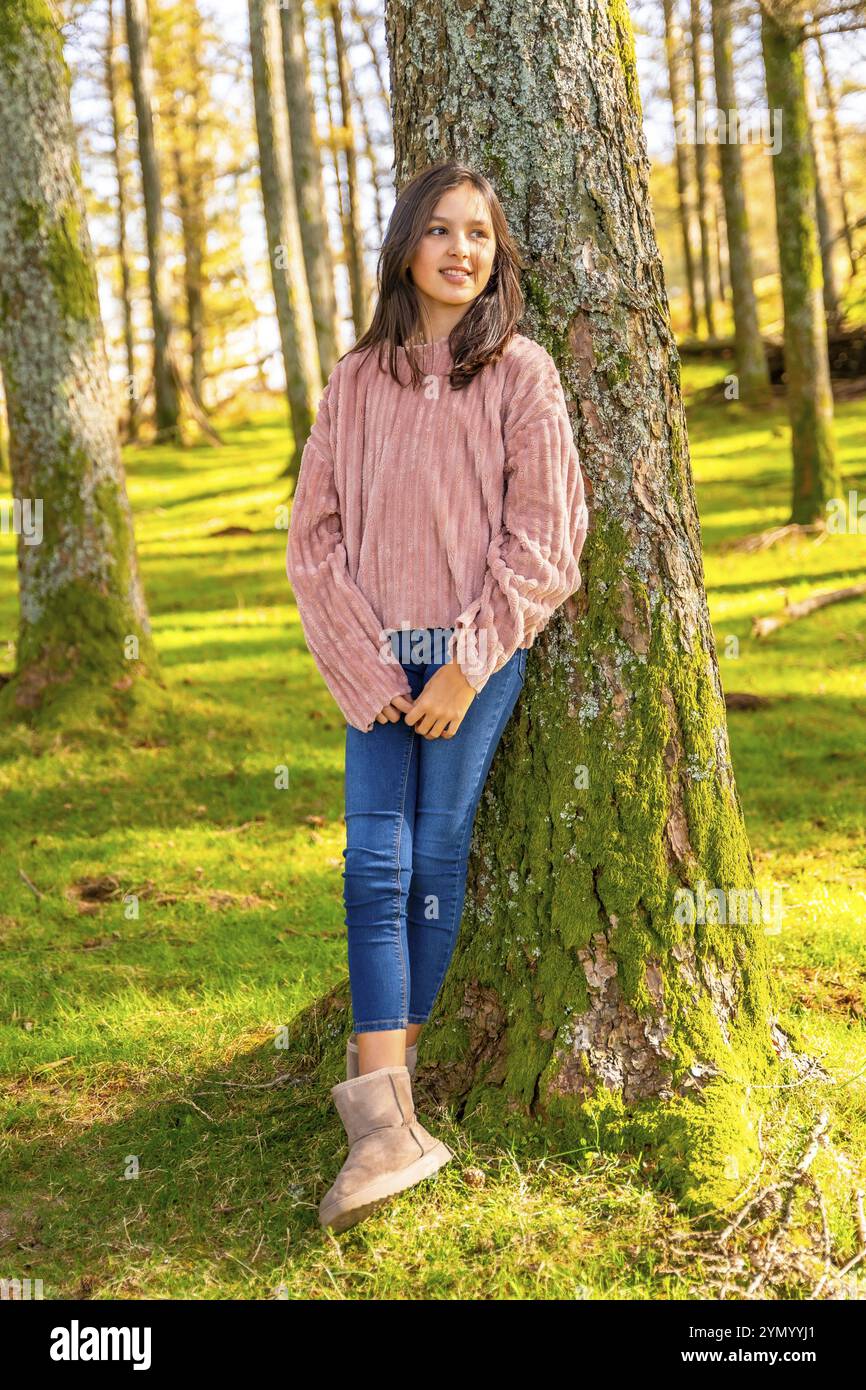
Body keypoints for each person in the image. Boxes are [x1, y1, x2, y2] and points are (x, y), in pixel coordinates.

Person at [286, 159, 589, 1233]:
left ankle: (390, 1103)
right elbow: (311, 537)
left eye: (480, 235)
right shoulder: (352, 380)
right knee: (373, 859)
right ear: (405, 245)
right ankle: (384, 1127)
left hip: (473, 653)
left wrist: (465, 662)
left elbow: (546, 538)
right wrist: (368, 668)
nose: (462, 250)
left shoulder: (520, 375)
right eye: (441, 231)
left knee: (432, 853)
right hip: (373, 655)